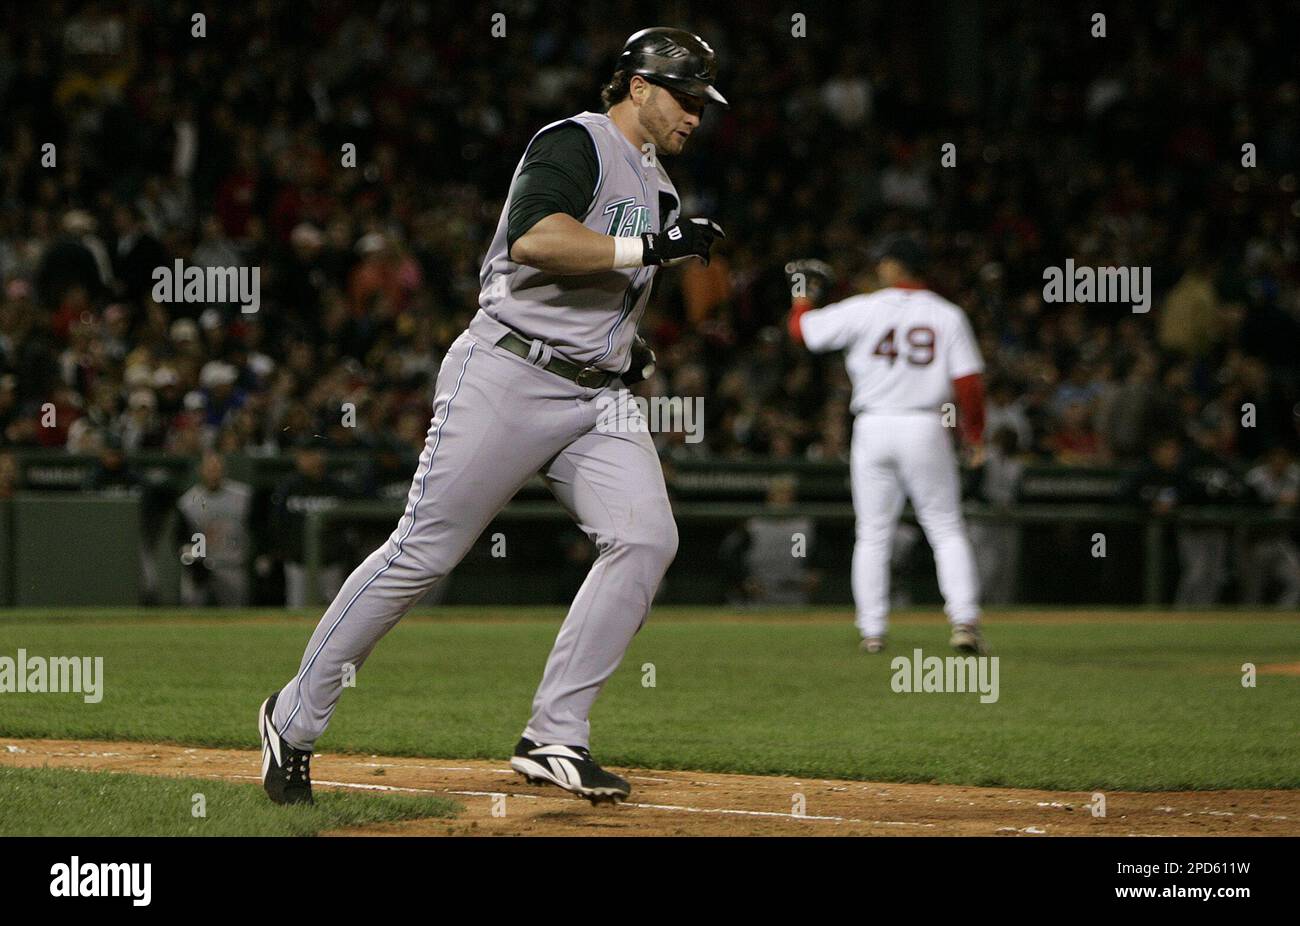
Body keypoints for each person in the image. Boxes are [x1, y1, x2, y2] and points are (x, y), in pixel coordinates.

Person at [258, 27, 727, 806]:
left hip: (593, 395)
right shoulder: (574, 142)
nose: (696, 116)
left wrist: (629, 348)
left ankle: (555, 736)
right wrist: (650, 249)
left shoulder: (662, 187)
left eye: (703, 104)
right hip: (508, 372)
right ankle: (294, 716)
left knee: (647, 536)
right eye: (686, 97)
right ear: (638, 87)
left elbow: (607, 291)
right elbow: (536, 240)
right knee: (421, 557)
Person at [786, 235, 988, 655]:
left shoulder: (864, 308)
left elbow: (801, 332)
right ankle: (964, 622)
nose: (880, 268)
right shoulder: (947, 315)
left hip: (874, 426)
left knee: (874, 533)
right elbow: (969, 385)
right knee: (946, 528)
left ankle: (873, 631)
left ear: (897, 266)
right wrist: (974, 436)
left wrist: (802, 295)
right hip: (925, 425)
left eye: (885, 262)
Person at [176, 451, 253, 606]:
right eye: (209, 468)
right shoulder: (188, 502)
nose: (213, 473)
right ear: (201, 470)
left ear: (224, 470)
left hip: (232, 564)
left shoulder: (243, 496)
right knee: (192, 607)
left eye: (217, 468)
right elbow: (181, 538)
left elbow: (255, 530)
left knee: (236, 611)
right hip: (201, 565)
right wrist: (192, 562)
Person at [1243, 446, 1300, 607]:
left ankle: (1281, 618)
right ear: (1268, 461)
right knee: (1253, 590)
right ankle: (1248, 623)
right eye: (1275, 459)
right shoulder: (1255, 477)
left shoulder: (1295, 475)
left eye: (1283, 459)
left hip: (1282, 540)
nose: (1279, 463)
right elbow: (1247, 504)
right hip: (1255, 540)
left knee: (1296, 582)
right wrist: (1275, 501)